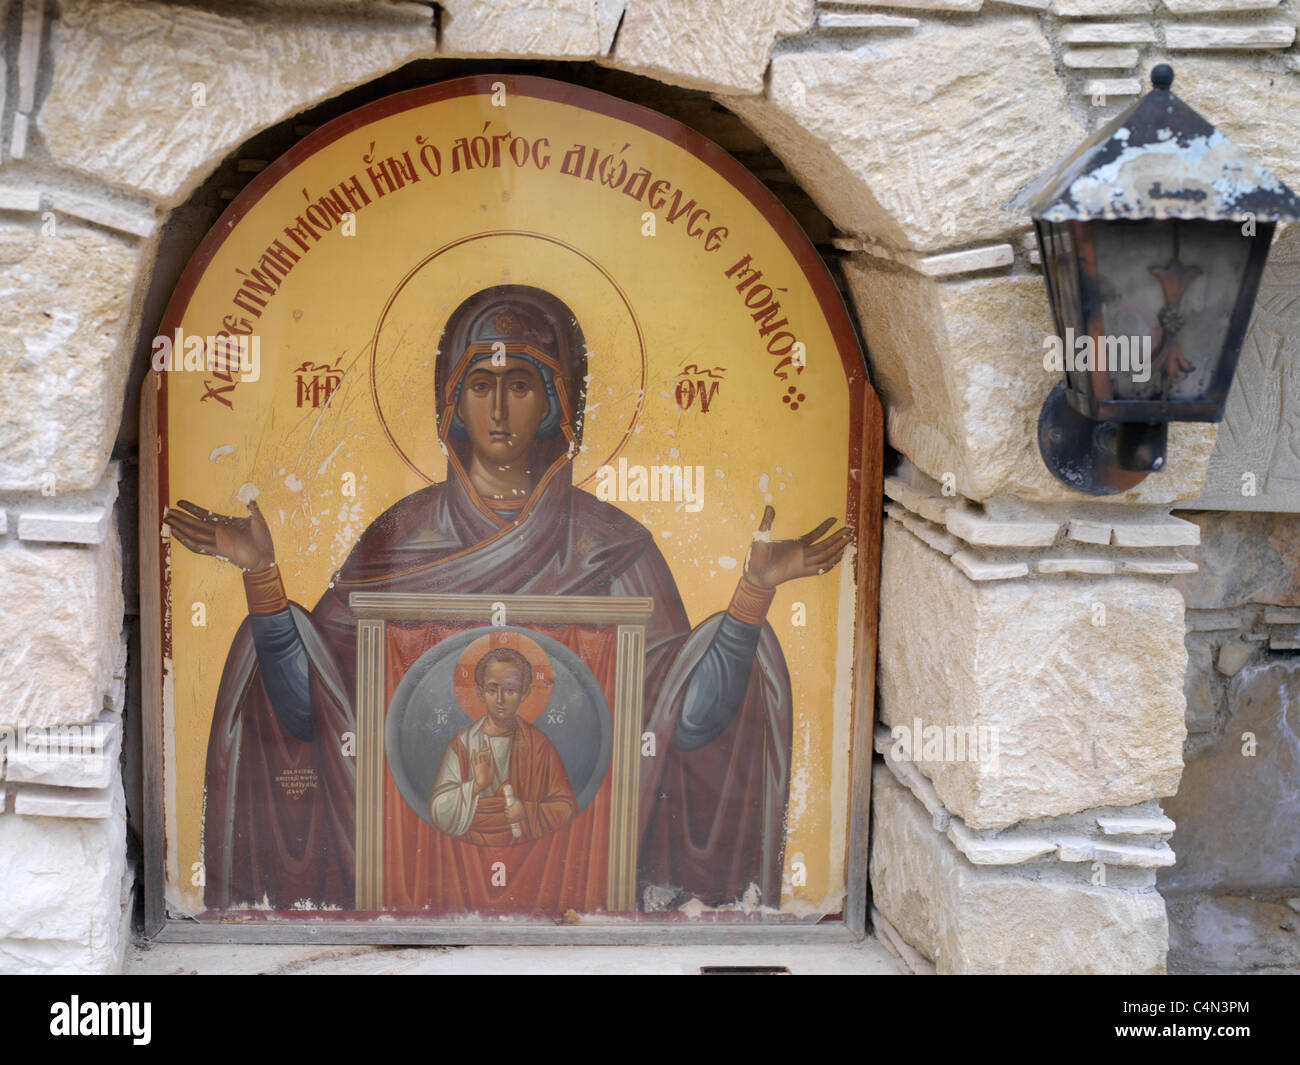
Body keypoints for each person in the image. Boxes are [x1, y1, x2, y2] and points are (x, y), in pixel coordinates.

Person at [164, 284, 851, 916]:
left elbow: (688, 723)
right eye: (481, 384)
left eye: (520, 384)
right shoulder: (395, 541)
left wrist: (755, 590)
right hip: (411, 884)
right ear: (451, 402)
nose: (498, 409)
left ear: (557, 402)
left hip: (583, 884)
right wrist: (262, 577)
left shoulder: (617, 550)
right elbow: (310, 713)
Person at [429, 647, 576, 845]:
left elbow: (566, 807)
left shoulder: (539, 745)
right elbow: (438, 811)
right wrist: (478, 785)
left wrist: (526, 811)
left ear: (525, 693)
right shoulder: (462, 745)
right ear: (480, 693)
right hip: (471, 847)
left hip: (525, 847)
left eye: (510, 690)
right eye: (491, 689)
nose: (500, 699)